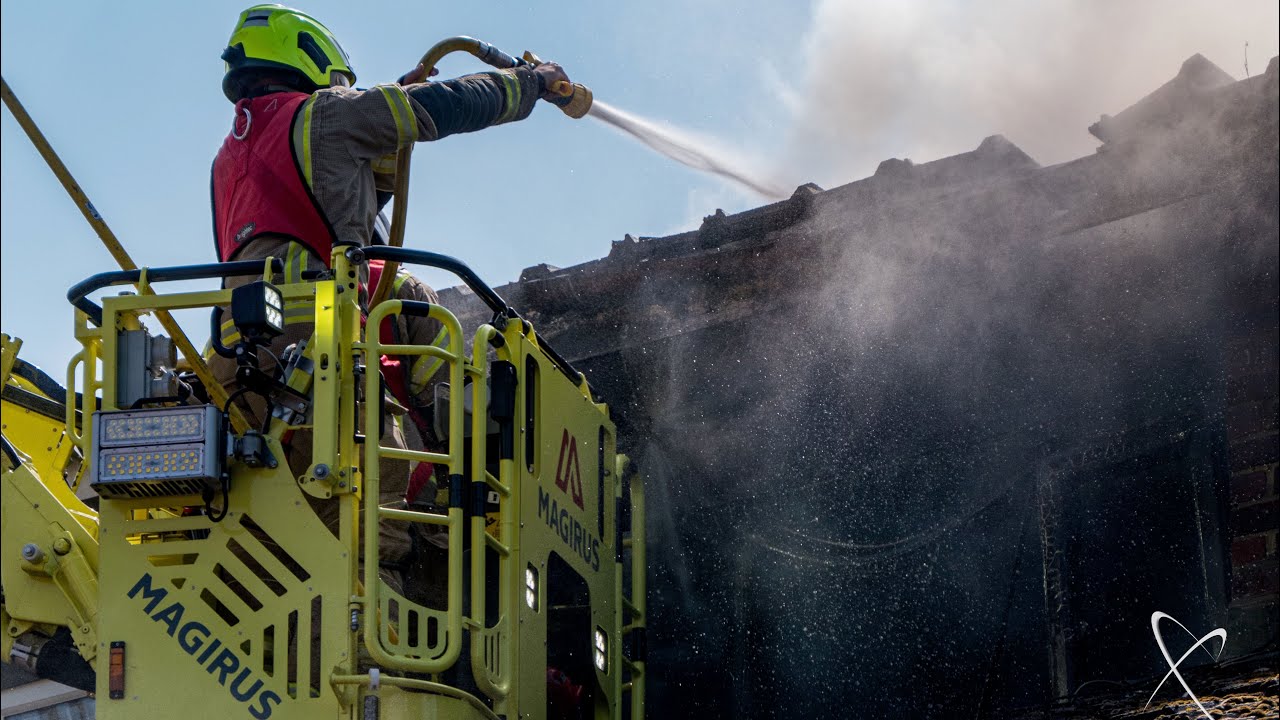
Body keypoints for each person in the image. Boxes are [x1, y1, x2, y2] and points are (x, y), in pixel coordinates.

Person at [208, 3, 570, 597]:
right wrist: (530, 83)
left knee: (277, 519)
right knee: (368, 524)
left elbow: (326, 206)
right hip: (320, 352)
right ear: (314, 61)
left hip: (236, 358)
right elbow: (447, 106)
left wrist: (383, 123)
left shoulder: (233, 153)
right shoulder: (325, 114)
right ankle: (385, 648)